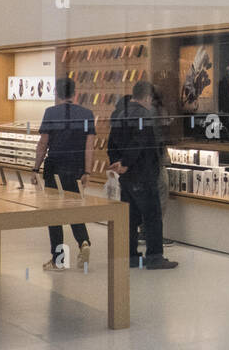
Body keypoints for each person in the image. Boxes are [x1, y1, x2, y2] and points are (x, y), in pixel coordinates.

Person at [109, 82, 175, 269]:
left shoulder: (122, 113)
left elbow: (111, 142)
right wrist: (126, 163)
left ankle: (131, 255)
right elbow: (139, 143)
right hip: (143, 174)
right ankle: (155, 256)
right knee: (152, 216)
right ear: (147, 97)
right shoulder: (144, 115)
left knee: (130, 217)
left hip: (127, 175)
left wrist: (117, 163)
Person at [32, 78, 94, 270]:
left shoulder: (50, 112)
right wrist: (87, 171)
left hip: (54, 166)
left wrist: (35, 168)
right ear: (75, 92)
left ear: (57, 93)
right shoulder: (87, 114)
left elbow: (43, 143)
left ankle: (59, 259)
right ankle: (83, 241)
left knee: (54, 213)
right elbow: (89, 146)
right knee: (74, 206)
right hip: (76, 167)